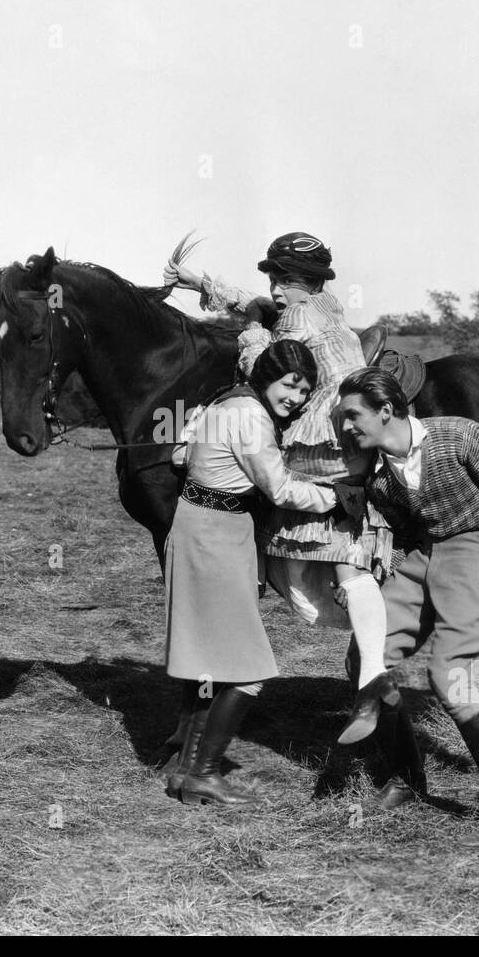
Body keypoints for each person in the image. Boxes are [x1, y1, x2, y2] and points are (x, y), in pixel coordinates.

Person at [166, 233, 399, 744]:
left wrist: (251, 339)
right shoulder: (326, 305)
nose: (274, 287)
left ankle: (232, 628)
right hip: (351, 438)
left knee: (307, 515)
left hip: (321, 443)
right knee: (350, 557)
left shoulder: (295, 319)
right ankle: (372, 673)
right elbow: (257, 304)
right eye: (273, 277)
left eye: (284, 279)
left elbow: (269, 371)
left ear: (307, 283)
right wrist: (205, 284)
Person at [334, 367, 479, 849]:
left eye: (353, 416)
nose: (346, 426)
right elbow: (399, 533)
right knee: (365, 656)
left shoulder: (459, 435)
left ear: (387, 410)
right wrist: (376, 583)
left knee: (449, 675)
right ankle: (405, 778)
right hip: (422, 556)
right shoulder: (378, 475)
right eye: (343, 417)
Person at [163, 340, 338, 808]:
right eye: (289, 385)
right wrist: (337, 499)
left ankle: (185, 769)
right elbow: (279, 488)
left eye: (305, 391)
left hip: (203, 525)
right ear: (267, 377)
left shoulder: (222, 400)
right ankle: (203, 773)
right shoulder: (250, 414)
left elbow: (180, 457)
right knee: (249, 670)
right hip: (217, 534)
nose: (297, 399)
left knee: (210, 661)